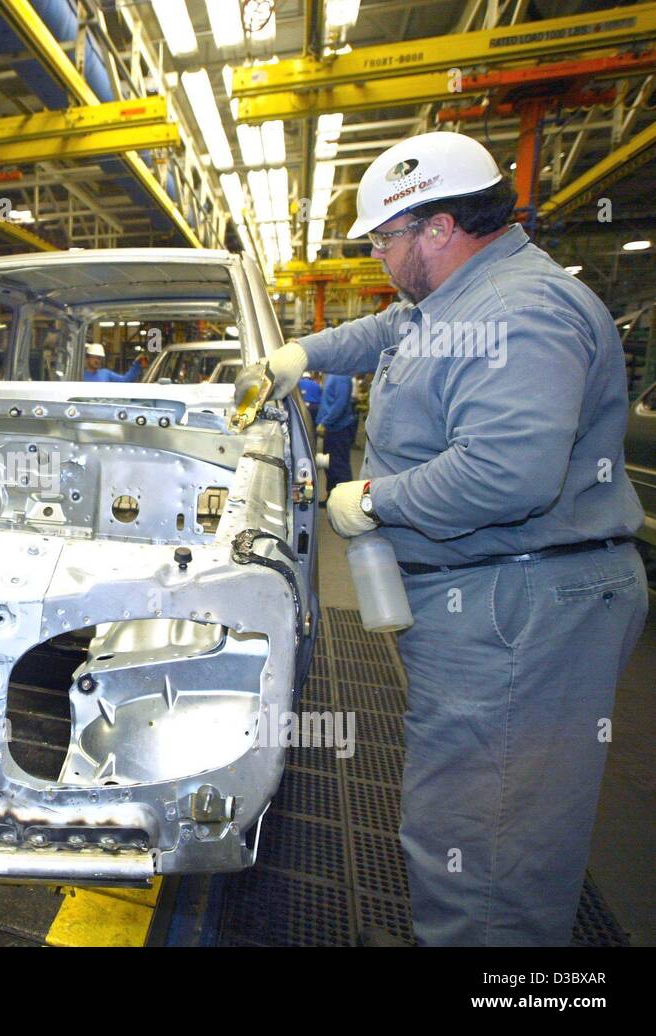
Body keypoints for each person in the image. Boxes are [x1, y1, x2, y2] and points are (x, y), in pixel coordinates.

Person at [234, 131, 646, 946]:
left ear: (439, 227)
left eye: (386, 239)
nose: (381, 258)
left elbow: (508, 474)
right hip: (498, 605)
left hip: (517, 614)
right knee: (472, 822)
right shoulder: (459, 301)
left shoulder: (521, 312)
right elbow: (387, 334)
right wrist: (300, 353)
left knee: (490, 851)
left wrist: (374, 500)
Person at [316, 373, 355, 500]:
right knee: (331, 465)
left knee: (339, 466)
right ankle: (331, 498)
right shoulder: (332, 375)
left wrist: (325, 422)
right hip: (332, 428)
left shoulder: (341, 376)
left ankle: (343, 501)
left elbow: (341, 403)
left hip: (339, 429)